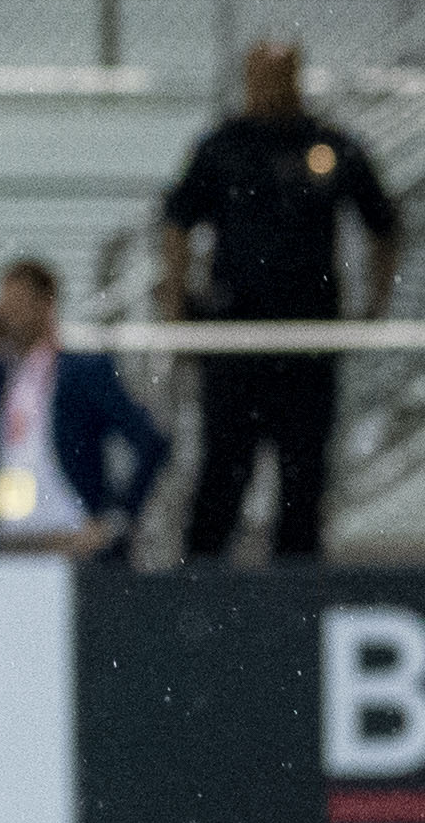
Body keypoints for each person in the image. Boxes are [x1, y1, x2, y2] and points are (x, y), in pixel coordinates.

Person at [160, 40, 401, 562]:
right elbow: (176, 221)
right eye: (258, 76)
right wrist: (176, 308)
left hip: (306, 342)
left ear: (296, 78)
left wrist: (375, 303)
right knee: (223, 471)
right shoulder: (221, 146)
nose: (267, 88)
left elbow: (383, 221)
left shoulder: (329, 146)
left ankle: (299, 593)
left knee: (303, 477)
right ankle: (199, 584)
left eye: (278, 75)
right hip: (234, 341)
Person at [0, 260, 173, 561]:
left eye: (20, 302)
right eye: (5, 303)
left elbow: (150, 441)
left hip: (70, 540)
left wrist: (117, 519)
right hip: (9, 544)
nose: (9, 314)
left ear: (46, 306)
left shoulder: (81, 372)